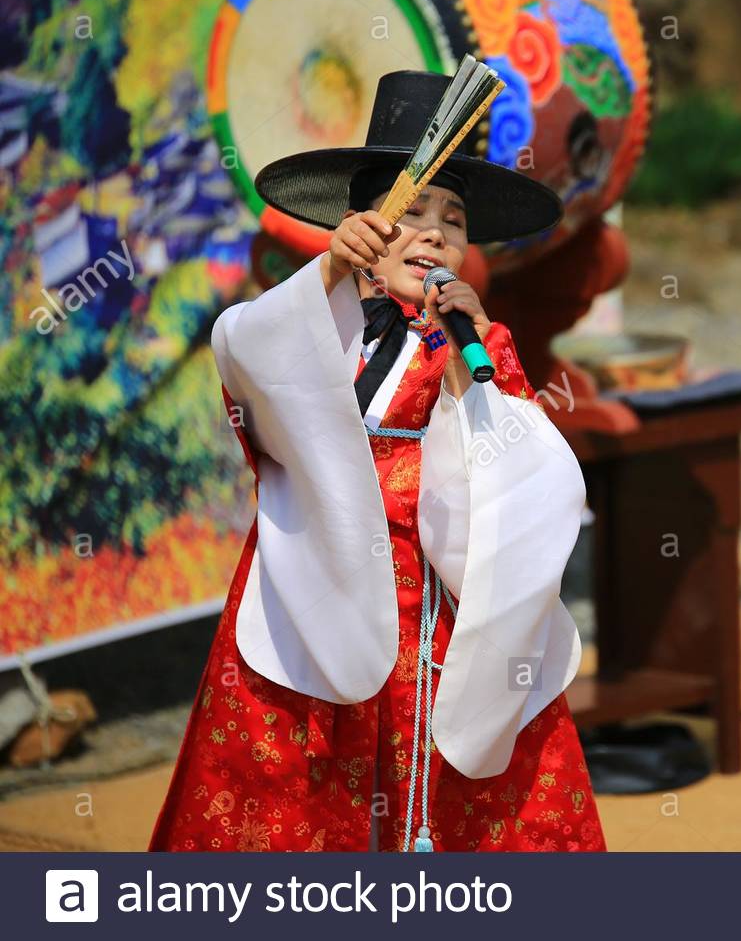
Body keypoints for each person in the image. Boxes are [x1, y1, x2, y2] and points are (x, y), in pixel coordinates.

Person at [148, 70, 605, 852]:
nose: (434, 232)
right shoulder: (315, 315)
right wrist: (326, 271)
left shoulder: (476, 341)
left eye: (453, 219)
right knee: (291, 792)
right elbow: (248, 355)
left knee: (461, 788)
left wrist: (471, 361)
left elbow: (526, 473)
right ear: (365, 227)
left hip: (440, 604)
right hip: (315, 586)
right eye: (411, 210)